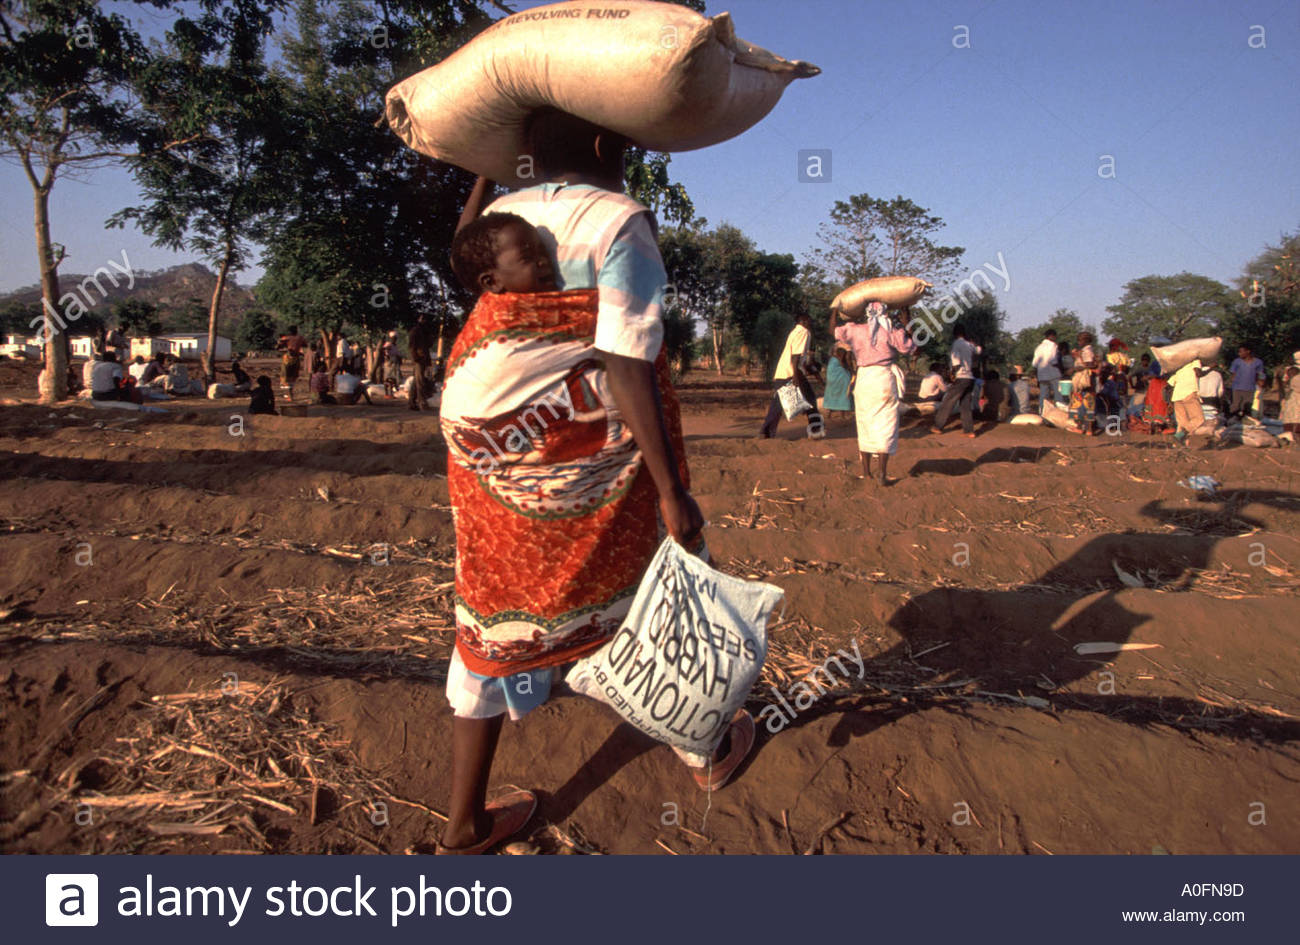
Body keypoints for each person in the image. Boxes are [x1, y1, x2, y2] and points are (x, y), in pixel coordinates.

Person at [437, 111, 744, 855]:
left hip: (494, 453)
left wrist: (482, 163)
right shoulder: (618, 221)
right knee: (657, 584)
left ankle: (464, 823)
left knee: (495, 607)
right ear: (611, 145)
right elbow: (626, 359)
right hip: (593, 452)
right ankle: (702, 748)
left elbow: (463, 255)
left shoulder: (506, 214)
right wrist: (671, 489)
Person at [825, 302, 914, 483]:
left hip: (864, 379)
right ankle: (882, 472)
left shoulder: (856, 330)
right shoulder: (891, 332)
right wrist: (907, 323)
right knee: (886, 424)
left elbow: (832, 330)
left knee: (864, 423)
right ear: (885, 313)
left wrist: (835, 309)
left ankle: (866, 472)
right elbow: (910, 347)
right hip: (883, 379)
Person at [760, 313, 824, 439]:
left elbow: (800, 359)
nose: (810, 323)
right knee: (810, 399)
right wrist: (795, 376)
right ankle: (816, 431)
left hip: (783, 373)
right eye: (809, 320)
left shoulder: (794, 332)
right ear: (804, 321)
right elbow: (795, 356)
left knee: (778, 404)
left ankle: (765, 432)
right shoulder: (803, 332)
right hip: (791, 373)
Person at [931, 323, 980, 437]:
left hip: (961, 376)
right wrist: (974, 343)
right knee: (965, 405)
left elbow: (956, 363)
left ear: (955, 334)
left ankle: (938, 426)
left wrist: (951, 374)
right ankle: (969, 431)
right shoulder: (969, 345)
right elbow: (978, 350)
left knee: (948, 401)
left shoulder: (956, 344)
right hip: (970, 378)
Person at [1168, 357, 1205, 444]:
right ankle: (1181, 434)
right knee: (1199, 420)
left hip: (1177, 397)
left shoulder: (1180, 369)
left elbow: (1168, 386)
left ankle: (1179, 445)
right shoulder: (1195, 362)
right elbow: (1198, 373)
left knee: (1182, 423)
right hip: (1189, 393)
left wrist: (1170, 402)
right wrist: (1210, 368)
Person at [1227, 345, 1264, 420]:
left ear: (1248, 351)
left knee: (1247, 406)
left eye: (1241, 352)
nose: (1239, 354)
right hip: (1237, 388)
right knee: (1235, 406)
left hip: (1250, 388)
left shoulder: (1258, 362)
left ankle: (1245, 421)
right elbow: (1233, 374)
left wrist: (1260, 383)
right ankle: (1232, 421)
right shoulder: (1237, 362)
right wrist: (1230, 385)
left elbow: (1260, 374)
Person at [407, 314, 433, 411]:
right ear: (419, 319)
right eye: (422, 319)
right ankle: (422, 403)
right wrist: (415, 358)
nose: (424, 321)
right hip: (419, 359)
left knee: (416, 381)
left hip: (423, 358)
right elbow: (412, 346)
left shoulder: (424, 331)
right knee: (420, 381)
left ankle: (411, 403)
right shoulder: (415, 331)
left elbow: (428, 345)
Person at [1031, 329, 1060, 414]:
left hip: (1042, 375)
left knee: (1043, 396)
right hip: (1053, 374)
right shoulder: (1054, 346)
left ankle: (1042, 414)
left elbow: (1034, 364)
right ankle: (1059, 413)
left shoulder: (1039, 347)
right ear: (1052, 336)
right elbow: (1054, 360)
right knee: (1058, 395)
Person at [822, 342, 855, 416]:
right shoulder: (847, 346)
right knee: (845, 386)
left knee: (832, 389)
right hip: (839, 369)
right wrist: (853, 371)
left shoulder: (837, 344)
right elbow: (846, 360)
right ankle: (843, 412)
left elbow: (830, 355)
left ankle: (830, 411)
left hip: (832, 369)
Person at [277, 325, 307, 401]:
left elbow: (278, 346)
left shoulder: (286, 338)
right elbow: (305, 345)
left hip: (287, 359)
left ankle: (288, 395)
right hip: (296, 359)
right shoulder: (300, 338)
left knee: (285, 376)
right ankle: (290, 395)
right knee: (293, 377)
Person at [1279, 352, 1300, 439]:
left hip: (1292, 396)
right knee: (1295, 417)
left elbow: (1284, 383)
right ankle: (1293, 435)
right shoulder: (1293, 370)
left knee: (1292, 416)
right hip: (1295, 397)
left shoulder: (1290, 369)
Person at [381, 331, 403, 396]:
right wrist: (386, 356)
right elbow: (383, 349)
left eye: (395, 338)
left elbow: (397, 354)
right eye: (393, 338)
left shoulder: (394, 345)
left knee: (393, 378)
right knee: (388, 378)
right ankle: (387, 393)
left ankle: (391, 393)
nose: (394, 339)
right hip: (389, 363)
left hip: (394, 363)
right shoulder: (388, 344)